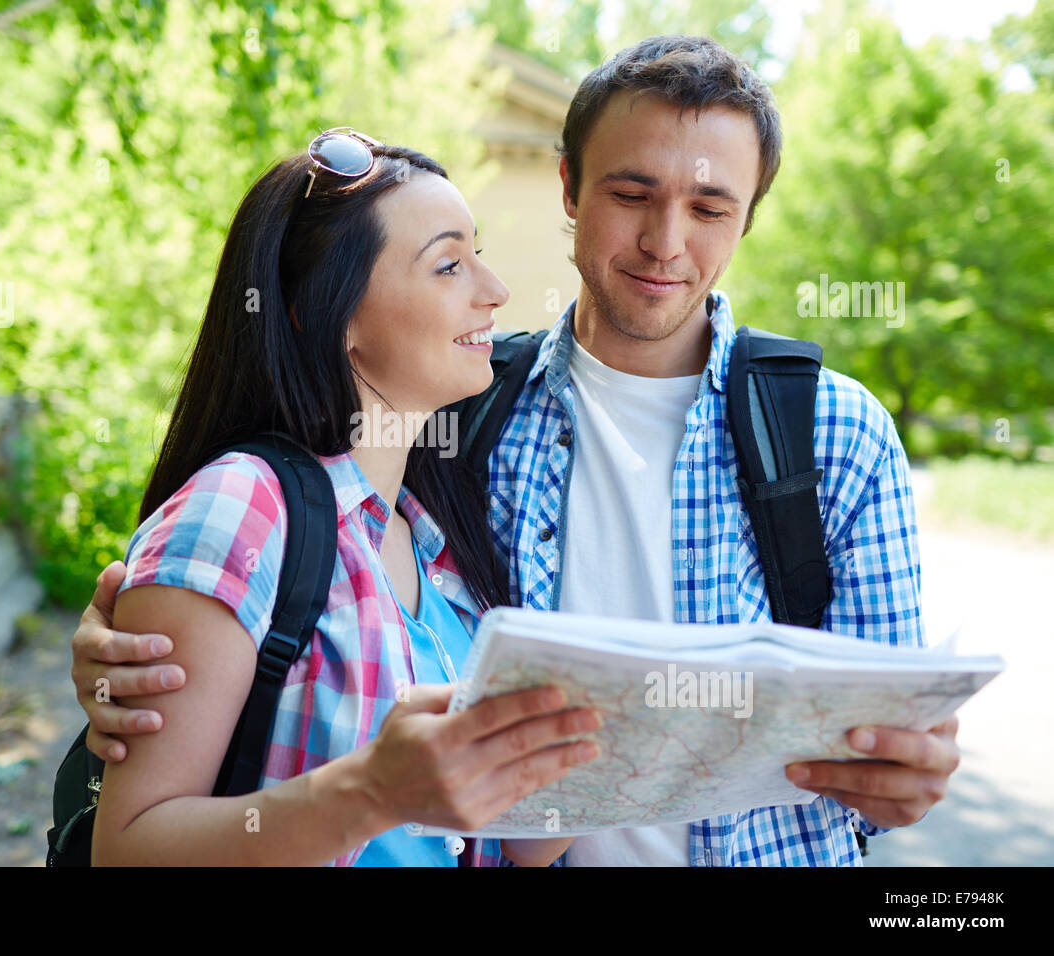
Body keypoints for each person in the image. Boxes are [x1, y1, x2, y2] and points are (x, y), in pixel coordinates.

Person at [72, 38, 962, 867]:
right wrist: (133, 643)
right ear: (570, 186)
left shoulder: (834, 434)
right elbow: (259, 574)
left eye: (710, 207)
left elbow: (886, 761)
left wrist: (905, 777)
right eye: (631, 194)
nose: (665, 242)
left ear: (747, 218)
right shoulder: (461, 414)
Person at [86, 128, 603, 867]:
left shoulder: (436, 545)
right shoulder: (242, 507)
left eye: (478, 257)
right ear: (334, 315)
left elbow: (525, 842)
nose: (494, 291)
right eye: (450, 265)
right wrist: (370, 791)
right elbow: (129, 850)